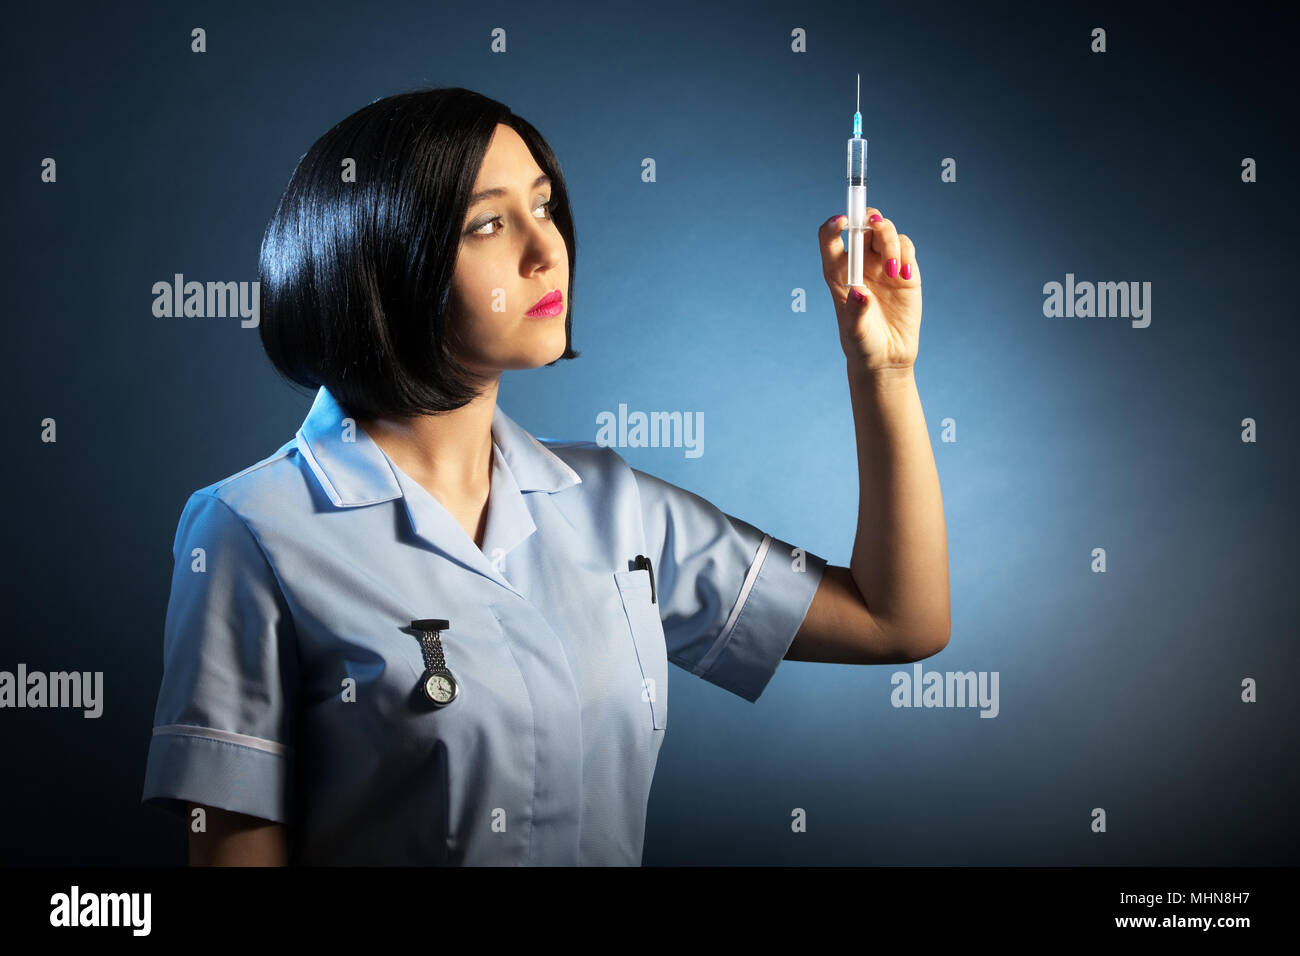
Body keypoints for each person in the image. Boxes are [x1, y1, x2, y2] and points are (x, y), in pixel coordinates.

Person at [140, 87, 950, 866]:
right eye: (488, 223)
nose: (545, 248)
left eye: (545, 205)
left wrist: (884, 373)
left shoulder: (610, 503)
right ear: (381, 261)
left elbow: (897, 621)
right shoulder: (253, 531)